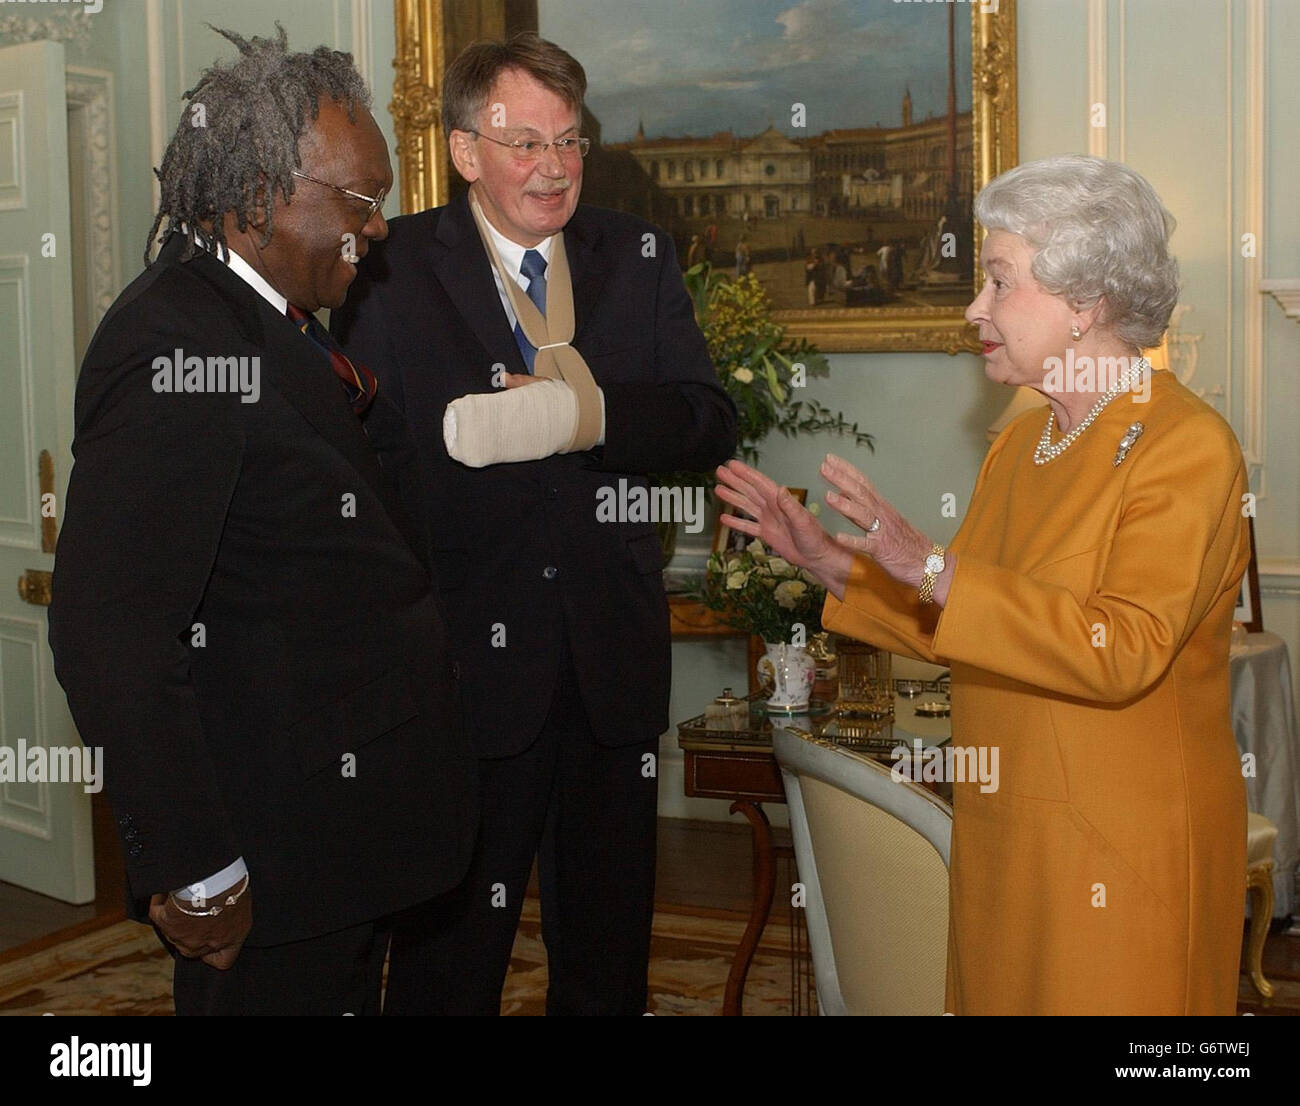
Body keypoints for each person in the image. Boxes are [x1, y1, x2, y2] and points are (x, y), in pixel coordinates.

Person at [715, 154, 1250, 1015]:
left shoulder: (1184, 446)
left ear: (1086, 301)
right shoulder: (1026, 440)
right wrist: (823, 558)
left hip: (1122, 853)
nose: (974, 309)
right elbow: (956, 617)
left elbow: (1123, 648)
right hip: (1009, 836)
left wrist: (928, 562)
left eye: (999, 282)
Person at [47, 26, 477, 1016]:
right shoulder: (172, 344)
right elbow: (110, 632)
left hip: (336, 846)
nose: (376, 230)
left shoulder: (269, 323)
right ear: (252, 202)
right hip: (270, 865)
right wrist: (195, 865)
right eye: (360, 203)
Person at [332, 31, 735, 1015]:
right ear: (467, 150)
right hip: (462, 674)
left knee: (605, 961)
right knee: (448, 962)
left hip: (612, 665)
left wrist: (586, 415)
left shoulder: (637, 255)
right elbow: (359, 469)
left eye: (570, 141)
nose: (554, 168)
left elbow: (708, 418)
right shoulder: (388, 270)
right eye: (525, 144)